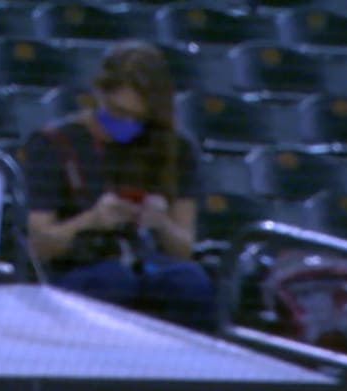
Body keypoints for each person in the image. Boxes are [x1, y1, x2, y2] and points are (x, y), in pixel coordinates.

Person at [22, 40, 217, 331]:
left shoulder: (175, 147)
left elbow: (183, 248)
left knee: (190, 282)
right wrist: (91, 220)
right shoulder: (53, 144)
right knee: (112, 281)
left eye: (137, 117)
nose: (126, 123)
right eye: (117, 111)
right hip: (79, 267)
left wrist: (161, 223)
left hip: (147, 261)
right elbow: (39, 246)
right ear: (99, 92)